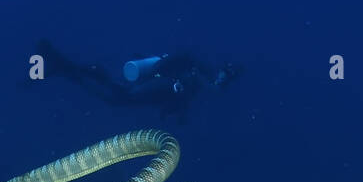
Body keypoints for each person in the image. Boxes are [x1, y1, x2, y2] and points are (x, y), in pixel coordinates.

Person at [35, 38, 237, 120]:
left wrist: (175, 112)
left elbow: (182, 99)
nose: (223, 80)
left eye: (227, 79)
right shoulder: (199, 72)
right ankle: (69, 68)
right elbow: (174, 69)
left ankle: (69, 70)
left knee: (116, 95)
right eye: (225, 75)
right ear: (222, 69)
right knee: (118, 95)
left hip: (155, 91)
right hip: (156, 83)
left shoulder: (200, 80)